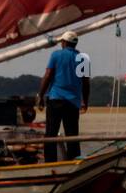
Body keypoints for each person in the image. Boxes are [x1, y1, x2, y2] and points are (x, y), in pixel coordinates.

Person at [36, 30, 90, 163]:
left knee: (51, 134)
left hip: (56, 99)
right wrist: (85, 101)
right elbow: (86, 82)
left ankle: (50, 163)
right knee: (72, 135)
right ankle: (73, 162)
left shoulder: (56, 55)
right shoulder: (83, 58)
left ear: (64, 42)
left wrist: (40, 95)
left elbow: (48, 75)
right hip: (73, 102)